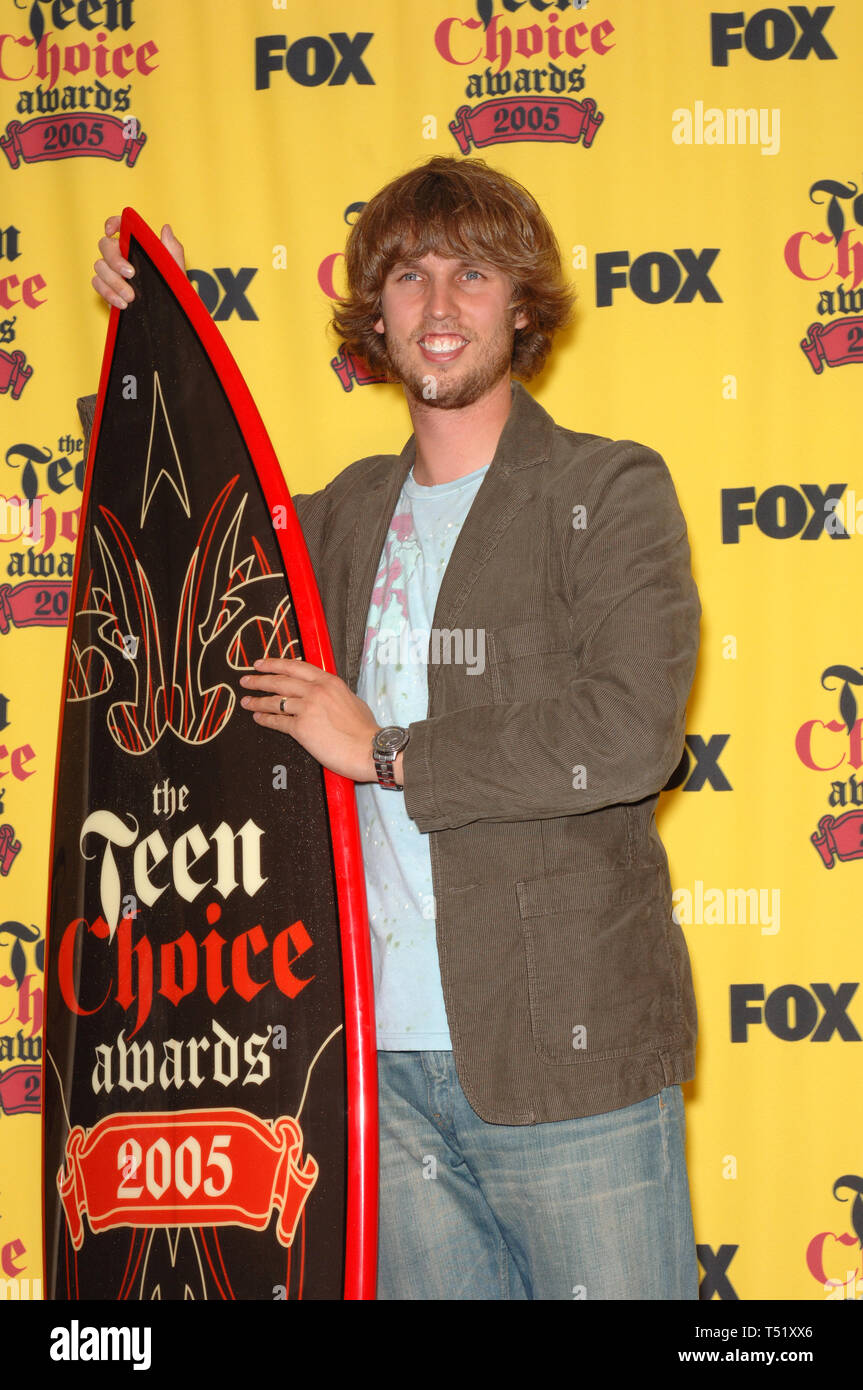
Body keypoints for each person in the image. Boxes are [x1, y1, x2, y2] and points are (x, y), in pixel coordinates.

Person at [90, 156, 701, 1301]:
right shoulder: (327, 521)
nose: (437, 304)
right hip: (361, 1066)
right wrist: (153, 336)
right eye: (408, 277)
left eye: (471, 272)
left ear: (519, 304)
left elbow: (626, 736)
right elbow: (167, 557)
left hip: (567, 1057)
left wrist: (386, 750)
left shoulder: (607, 491)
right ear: (373, 312)